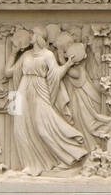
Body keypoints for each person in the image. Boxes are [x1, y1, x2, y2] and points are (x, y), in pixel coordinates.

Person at [6, 30, 88, 176]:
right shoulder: (25, 55)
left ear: (39, 37)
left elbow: (56, 75)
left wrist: (68, 64)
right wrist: (13, 53)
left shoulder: (48, 55)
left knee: (43, 126)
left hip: (39, 90)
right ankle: (30, 165)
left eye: (33, 34)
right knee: (20, 127)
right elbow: (8, 72)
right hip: (22, 90)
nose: (30, 36)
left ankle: (70, 156)